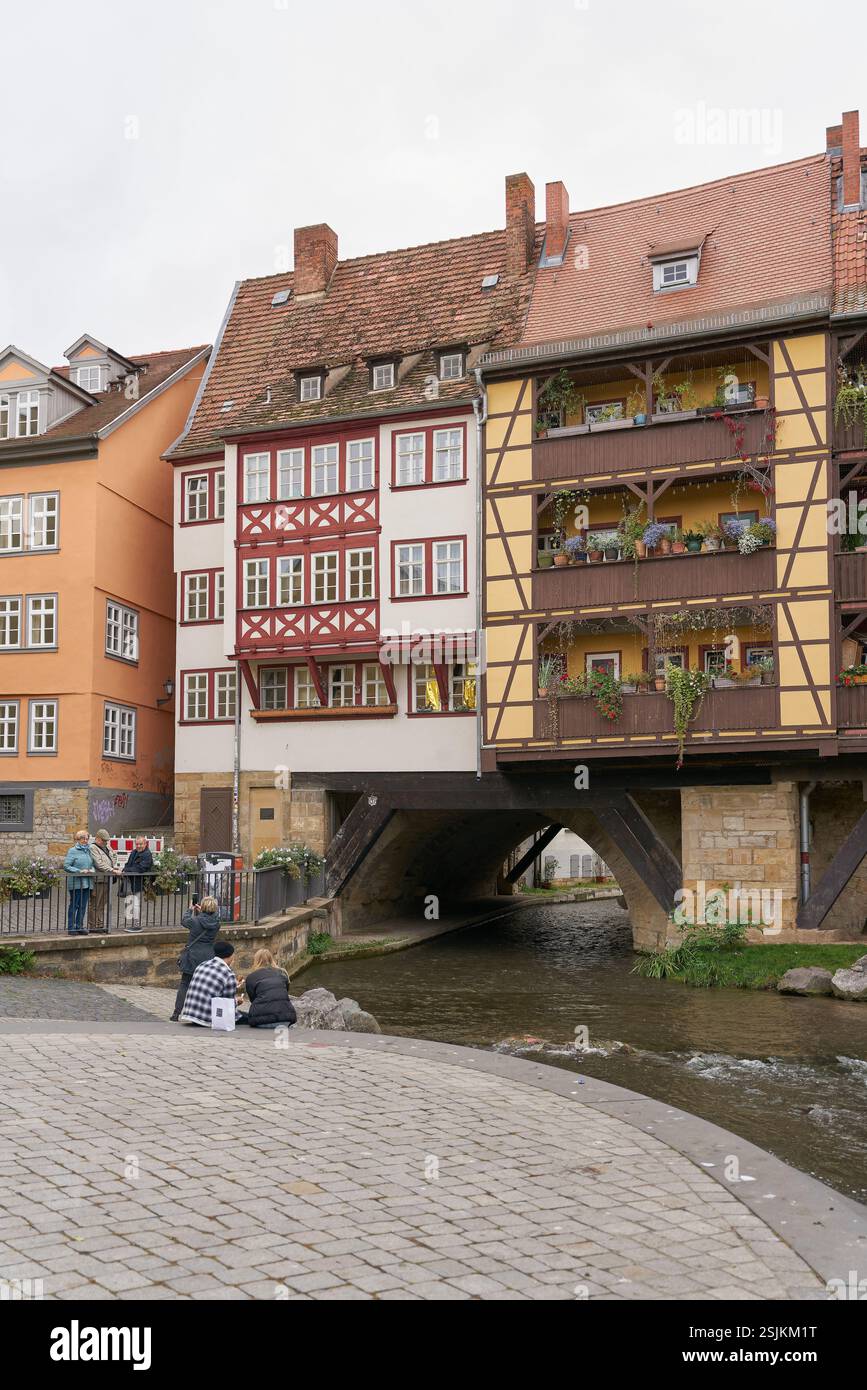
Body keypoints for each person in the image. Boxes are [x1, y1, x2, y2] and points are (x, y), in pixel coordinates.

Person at [171, 896, 222, 1022]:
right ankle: (204, 1014)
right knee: (207, 986)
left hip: (192, 956)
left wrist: (190, 909)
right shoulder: (216, 924)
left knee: (185, 984)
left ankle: (176, 1013)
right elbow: (213, 918)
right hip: (208, 957)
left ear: (202, 907)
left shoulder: (194, 921)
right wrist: (204, 911)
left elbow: (184, 920)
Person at [179, 940, 243, 1028]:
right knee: (246, 1017)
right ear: (231, 955)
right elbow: (228, 1005)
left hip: (191, 1014)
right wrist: (237, 1001)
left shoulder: (202, 965)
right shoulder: (229, 974)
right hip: (208, 1018)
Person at [241, 948, 298, 1030]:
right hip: (285, 1019)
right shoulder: (282, 973)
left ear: (256, 960)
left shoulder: (251, 977)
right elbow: (284, 992)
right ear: (271, 959)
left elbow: (252, 998)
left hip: (261, 1021)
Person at [118, 835, 154, 933]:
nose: (138, 846)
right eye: (137, 844)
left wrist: (126, 870)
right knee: (131, 903)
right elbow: (128, 864)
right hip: (131, 881)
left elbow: (141, 868)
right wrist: (125, 869)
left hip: (140, 882)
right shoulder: (134, 852)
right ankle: (133, 923)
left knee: (136, 904)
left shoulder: (147, 854)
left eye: (140, 844)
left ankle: (137, 925)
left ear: (145, 844)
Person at [63, 831, 96, 936]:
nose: (85, 841)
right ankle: (71, 927)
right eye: (83, 839)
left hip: (87, 882)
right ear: (78, 839)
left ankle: (80, 926)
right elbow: (67, 866)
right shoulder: (73, 851)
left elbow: (93, 864)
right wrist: (79, 871)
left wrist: (92, 870)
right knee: (75, 905)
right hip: (76, 883)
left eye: (86, 838)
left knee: (83, 906)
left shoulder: (89, 850)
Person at [89, 829, 121, 934]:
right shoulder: (93, 847)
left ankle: (100, 924)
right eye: (103, 840)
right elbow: (98, 863)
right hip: (98, 880)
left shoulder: (107, 847)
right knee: (95, 903)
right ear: (97, 838)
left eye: (106, 840)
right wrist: (112, 870)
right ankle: (93, 926)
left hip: (107, 879)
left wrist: (113, 866)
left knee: (102, 904)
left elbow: (114, 857)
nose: (106, 842)